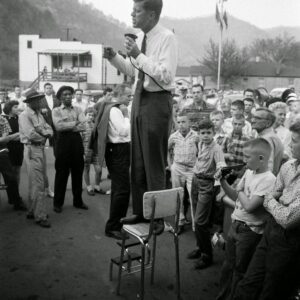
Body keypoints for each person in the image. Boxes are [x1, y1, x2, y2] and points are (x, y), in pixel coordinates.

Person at [103, 0, 178, 230]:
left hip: (156, 101)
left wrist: (138, 54)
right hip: (139, 100)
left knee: (153, 163)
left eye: (137, 11)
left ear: (152, 14)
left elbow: (165, 76)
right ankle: (141, 212)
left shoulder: (167, 38)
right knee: (138, 161)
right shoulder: (139, 36)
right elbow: (134, 72)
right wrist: (114, 57)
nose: (132, 14)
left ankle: (156, 217)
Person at [233, 120, 300, 300]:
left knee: (272, 290)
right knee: (249, 281)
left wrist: (271, 202)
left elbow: (288, 218)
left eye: (294, 140)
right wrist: (274, 202)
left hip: (290, 241)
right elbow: (272, 194)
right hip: (271, 231)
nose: (288, 145)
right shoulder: (289, 166)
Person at [216, 138, 276, 300]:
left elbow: (249, 206)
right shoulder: (249, 172)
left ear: (261, 158)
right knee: (227, 266)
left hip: (250, 231)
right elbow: (237, 196)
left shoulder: (269, 180)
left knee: (239, 270)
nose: (244, 160)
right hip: (236, 224)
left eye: (247, 157)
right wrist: (223, 182)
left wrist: (240, 190)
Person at [187, 119, 226, 269]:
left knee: (200, 221)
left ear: (213, 133)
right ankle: (200, 247)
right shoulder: (200, 143)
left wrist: (221, 187)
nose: (205, 136)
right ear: (199, 134)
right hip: (196, 181)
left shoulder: (216, 149)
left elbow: (222, 167)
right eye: (202, 133)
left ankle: (207, 255)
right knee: (196, 216)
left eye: (208, 133)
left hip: (207, 184)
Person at [19, 90, 53, 227]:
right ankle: (40, 216)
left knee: (37, 181)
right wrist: (45, 135)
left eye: (39, 99)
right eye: (37, 100)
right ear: (30, 101)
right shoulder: (24, 115)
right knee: (38, 183)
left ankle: (32, 210)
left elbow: (49, 128)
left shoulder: (38, 113)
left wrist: (45, 132)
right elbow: (31, 134)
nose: (39, 101)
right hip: (32, 148)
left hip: (39, 148)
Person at [52, 86, 88, 213]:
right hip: (62, 144)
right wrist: (75, 124)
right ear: (60, 97)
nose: (68, 96)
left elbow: (84, 125)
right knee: (61, 174)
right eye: (65, 94)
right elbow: (58, 127)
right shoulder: (56, 110)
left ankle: (78, 201)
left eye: (69, 94)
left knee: (78, 174)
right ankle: (57, 203)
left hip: (77, 144)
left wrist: (68, 125)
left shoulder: (78, 109)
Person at [168, 113, 199, 234]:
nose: (181, 124)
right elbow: (167, 150)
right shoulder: (173, 136)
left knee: (193, 197)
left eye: (183, 122)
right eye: (179, 122)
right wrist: (171, 166)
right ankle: (179, 221)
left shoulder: (196, 136)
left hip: (192, 169)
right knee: (177, 196)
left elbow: (200, 151)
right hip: (178, 168)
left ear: (189, 123)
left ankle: (196, 226)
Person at [0, 114, 26, 211]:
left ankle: (16, 201)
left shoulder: (2, 119)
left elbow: (5, 139)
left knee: (11, 178)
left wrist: (7, 138)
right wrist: (12, 136)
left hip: (2, 152)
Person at [251, 108, 284, 175]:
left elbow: (268, 167)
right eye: (253, 117)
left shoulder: (266, 139)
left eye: (257, 118)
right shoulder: (267, 136)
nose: (253, 120)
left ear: (268, 123)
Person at [3, 101, 24, 185]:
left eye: (17, 106)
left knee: (17, 170)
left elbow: (24, 133)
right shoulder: (4, 119)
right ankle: (12, 194)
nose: (17, 108)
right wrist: (18, 134)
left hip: (19, 147)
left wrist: (14, 136)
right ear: (9, 108)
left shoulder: (20, 118)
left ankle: (16, 194)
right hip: (8, 148)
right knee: (9, 172)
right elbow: (6, 138)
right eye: (15, 107)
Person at [82, 107, 102, 196]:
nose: (91, 117)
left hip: (96, 150)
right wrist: (81, 153)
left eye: (93, 115)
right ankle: (89, 187)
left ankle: (97, 186)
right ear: (85, 115)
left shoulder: (96, 125)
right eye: (89, 115)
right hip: (86, 150)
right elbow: (80, 140)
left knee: (99, 170)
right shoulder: (82, 125)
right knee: (86, 169)